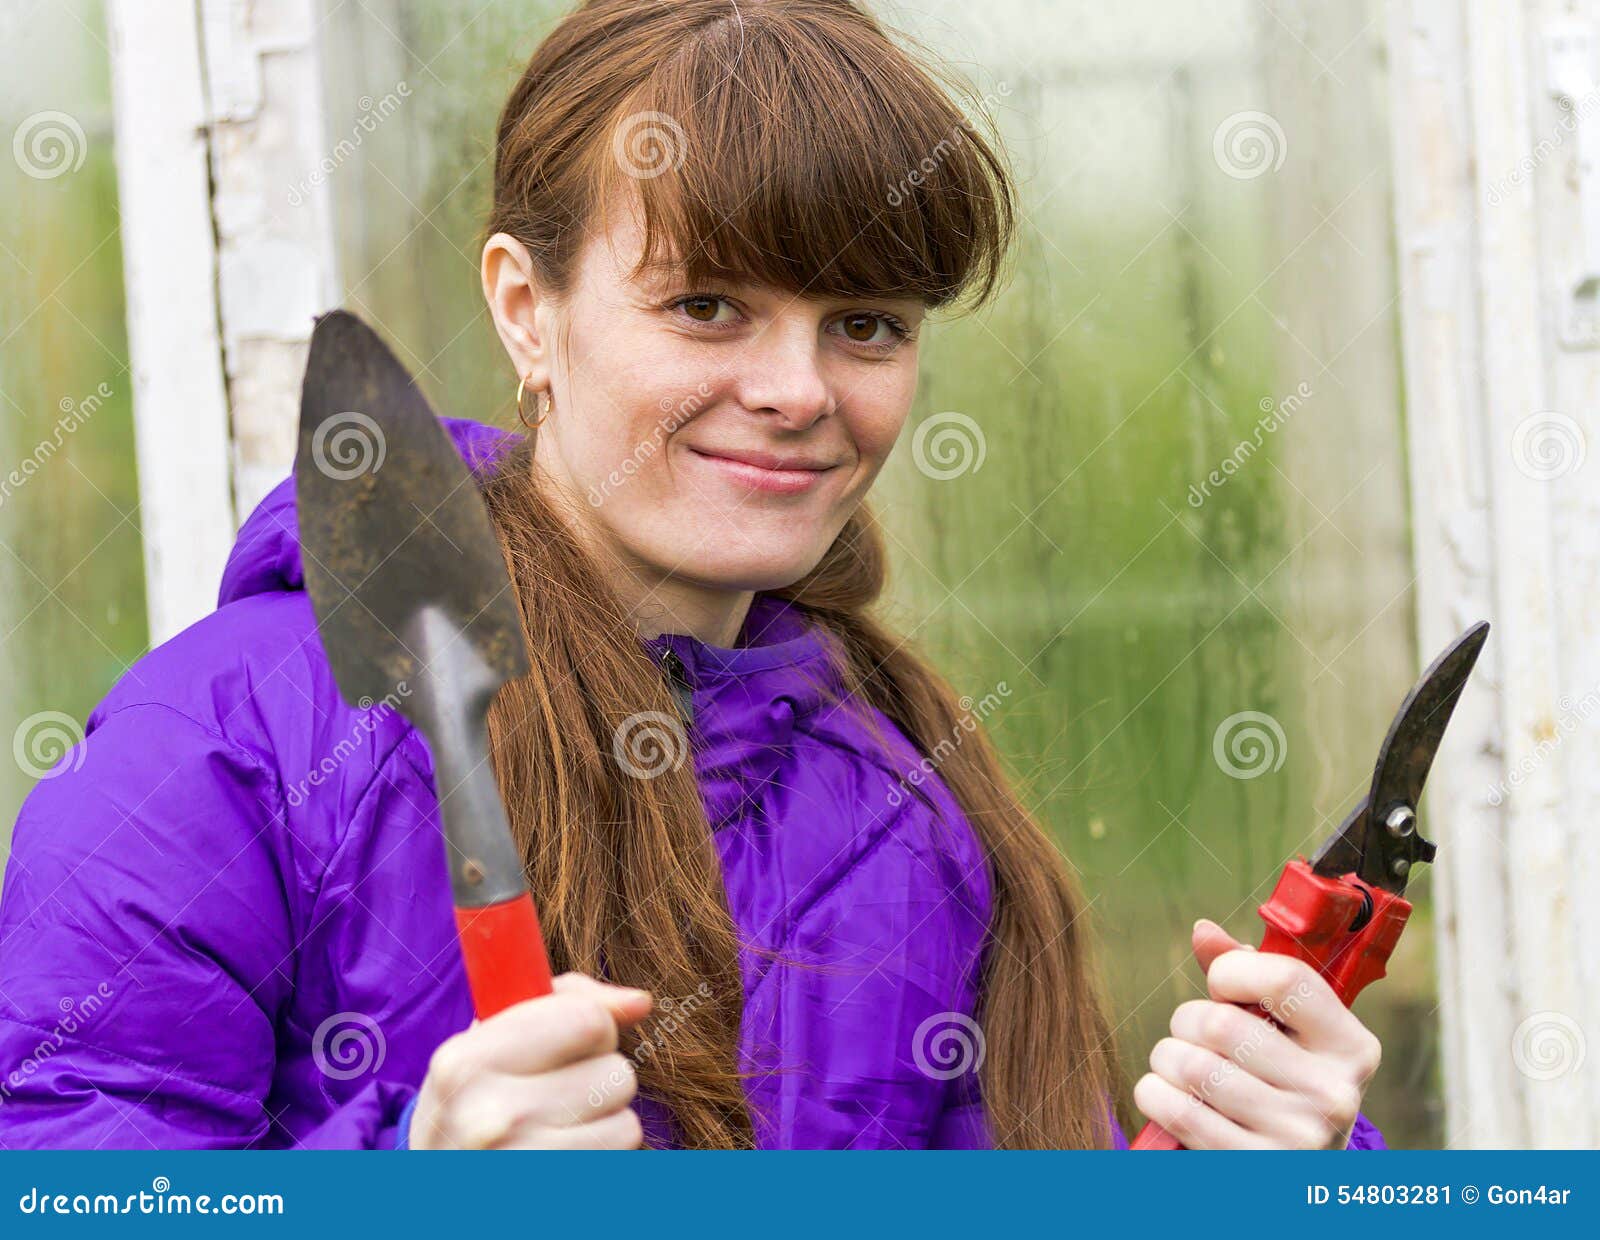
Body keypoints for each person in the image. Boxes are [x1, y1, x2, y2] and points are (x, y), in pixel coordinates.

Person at [0, 0, 1385, 1150]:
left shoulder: (906, 809)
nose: (798, 391)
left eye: (865, 324)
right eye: (707, 306)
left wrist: (1264, 1180)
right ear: (525, 308)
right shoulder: (230, 746)